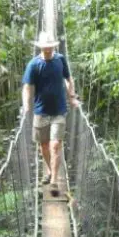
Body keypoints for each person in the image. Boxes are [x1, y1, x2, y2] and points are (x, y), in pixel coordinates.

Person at [22, 31, 78, 197]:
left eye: (50, 46)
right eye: (45, 47)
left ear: (53, 46)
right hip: (40, 112)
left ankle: (54, 180)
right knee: (44, 146)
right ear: (41, 47)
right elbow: (27, 87)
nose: (47, 49)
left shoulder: (60, 60)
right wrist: (26, 105)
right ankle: (49, 170)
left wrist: (72, 97)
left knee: (55, 145)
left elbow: (68, 79)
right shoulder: (33, 65)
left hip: (59, 111)